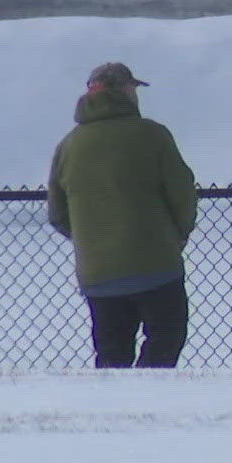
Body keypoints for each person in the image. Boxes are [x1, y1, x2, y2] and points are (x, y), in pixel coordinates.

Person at [47, 62, 197, 368]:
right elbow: (182, 193)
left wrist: (92, 240)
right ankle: (149, 390)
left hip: (98, 273)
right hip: (156, 264)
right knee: (166, 335)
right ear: (124, 91)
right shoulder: (152, 135)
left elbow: (57, 213)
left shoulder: (69, 146)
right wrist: (176, 235)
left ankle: (116, 396)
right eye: (133, 87)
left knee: (112, 354)